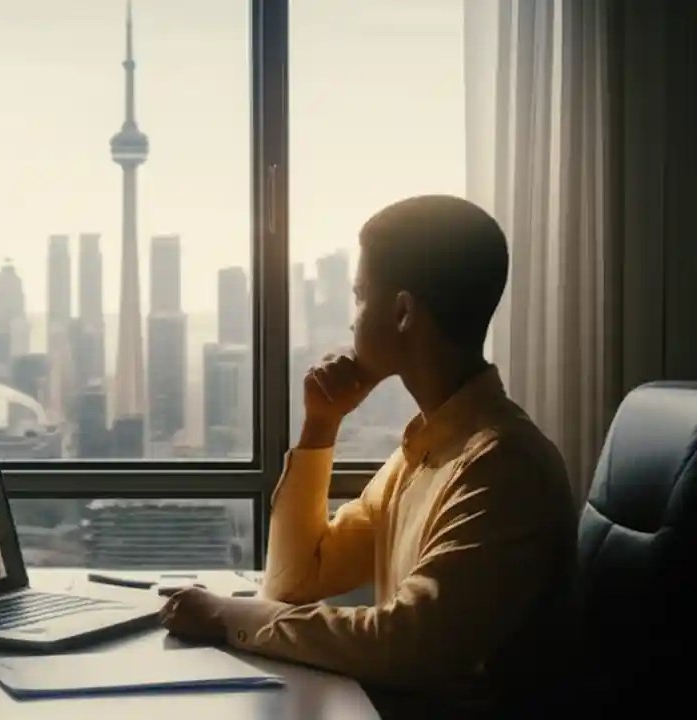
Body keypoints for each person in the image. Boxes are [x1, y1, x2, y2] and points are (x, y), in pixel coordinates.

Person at [160, 195, 578, 717]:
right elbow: (294, 582)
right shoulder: (424, 449)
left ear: (402, 312)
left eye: (359, 297)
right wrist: (320, 426)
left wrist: (227, 615)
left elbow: (406, 645)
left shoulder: (501, 467)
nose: (352, 320)